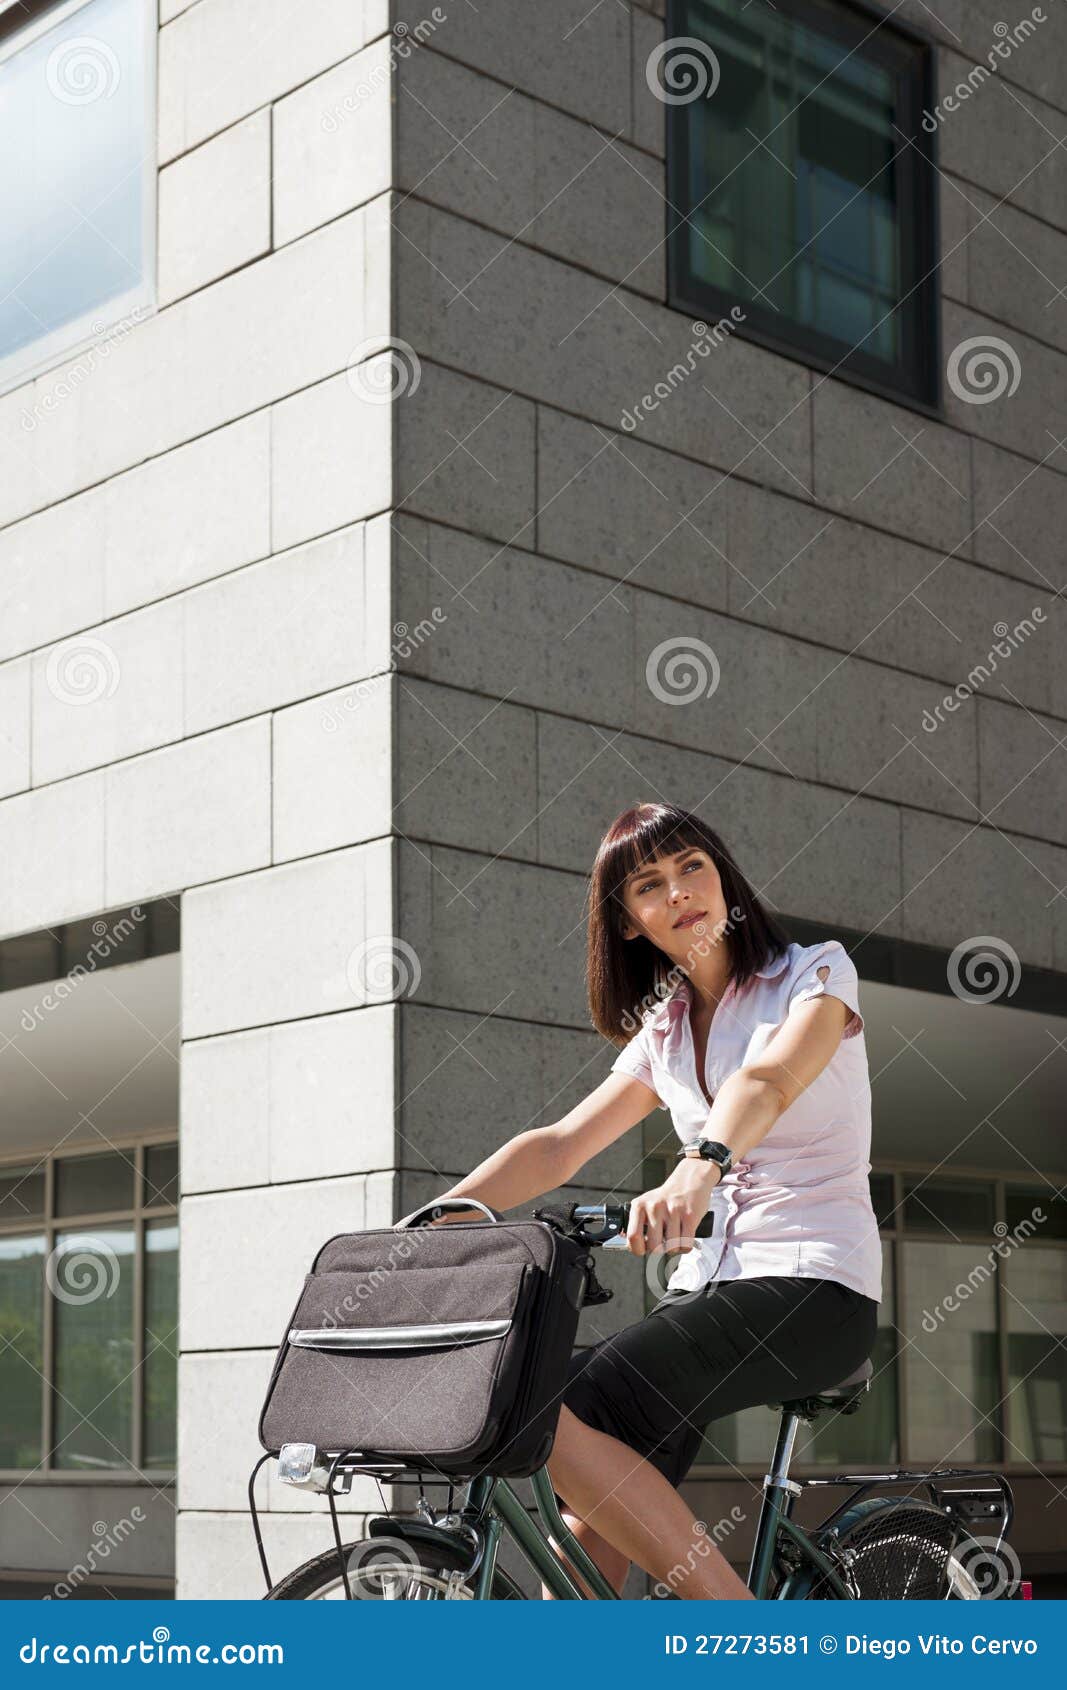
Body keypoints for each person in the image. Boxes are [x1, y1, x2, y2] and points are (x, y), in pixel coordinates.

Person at [431, 801, 881, 1599]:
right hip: (705, 1296)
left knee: (554, 1396)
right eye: (649, 883)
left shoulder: (814, 973)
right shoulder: (664, 1027)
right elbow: (561, 1143)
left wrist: (700, 1162)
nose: (678, 892)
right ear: (630, 921)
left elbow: (768, 1079)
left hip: (814, 1285)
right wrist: (432, 1223)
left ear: (722, 878)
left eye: (691, 867)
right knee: (582, 1538)